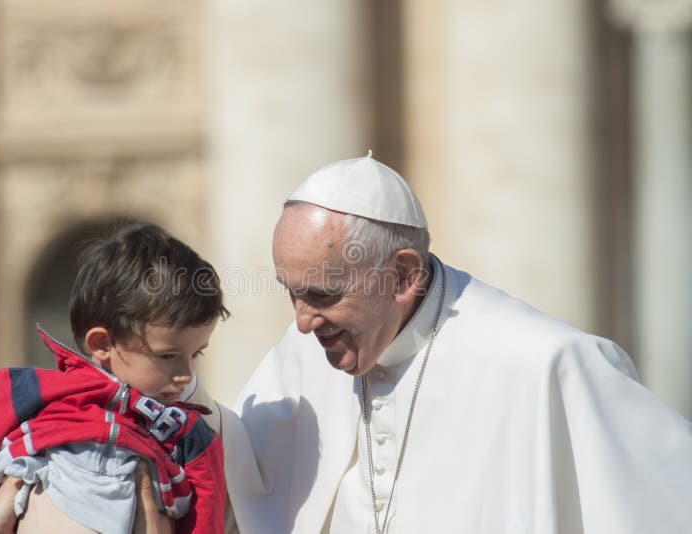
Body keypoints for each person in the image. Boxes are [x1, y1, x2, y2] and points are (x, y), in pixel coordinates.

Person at [212, 153, 692, 533]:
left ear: (402, 275)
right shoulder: (301, 354)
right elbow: (234, 487)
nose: (301, 322)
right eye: (289, 292)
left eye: (323, 294)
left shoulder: (547, 366)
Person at [0, 222, 229, 534]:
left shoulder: (191, 435)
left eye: (196, 354)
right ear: (102, 344)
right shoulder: (30, 392)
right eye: (167, 356)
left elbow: (206, 522)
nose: (185, 376)